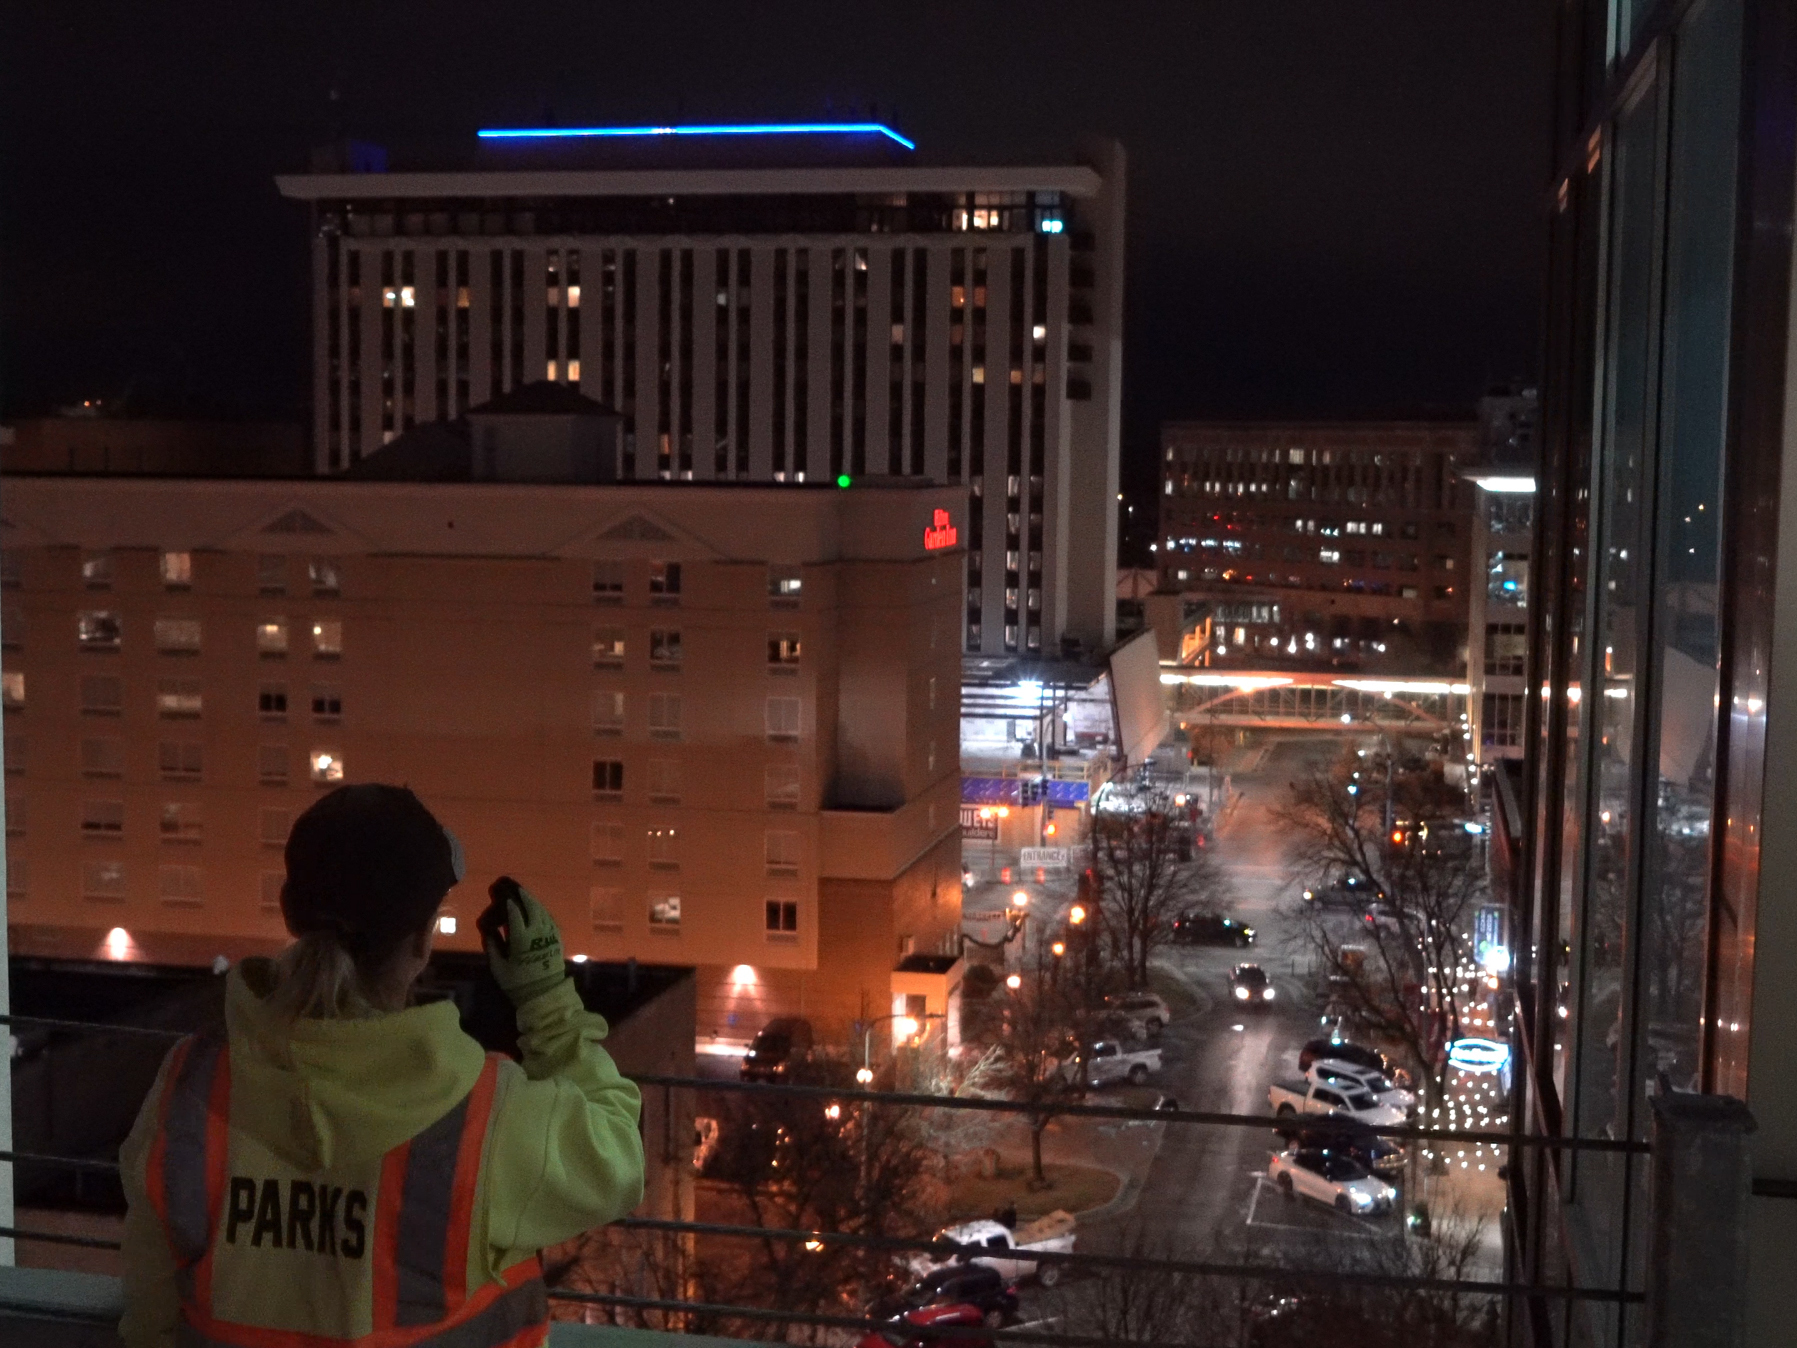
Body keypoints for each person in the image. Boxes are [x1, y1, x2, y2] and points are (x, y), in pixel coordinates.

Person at [118, 784, 645, 1348]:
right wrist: (548, 1002)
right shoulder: (486, 1119)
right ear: (420, 944)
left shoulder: (190, 1085)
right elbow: (619, 1160)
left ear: (291, 912)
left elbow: (152, 1312)